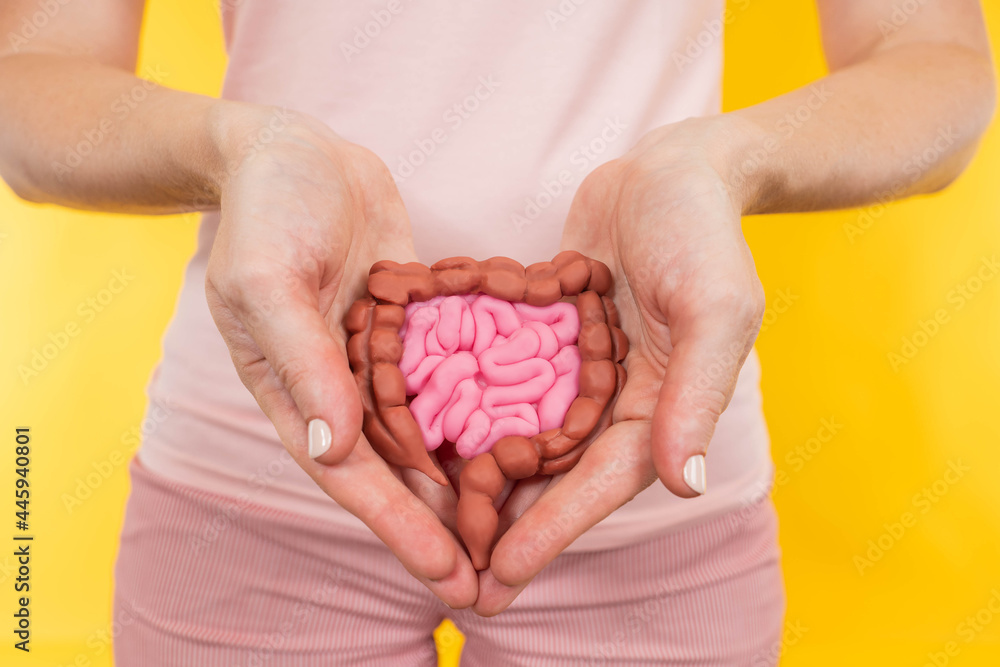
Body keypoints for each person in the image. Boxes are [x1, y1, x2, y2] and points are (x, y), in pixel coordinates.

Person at [0, 1, 993, 664]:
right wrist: (234, 146)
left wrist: (728, 162)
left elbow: (936, 58)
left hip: (645, 468)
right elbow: (30, 78)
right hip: (256, 470)